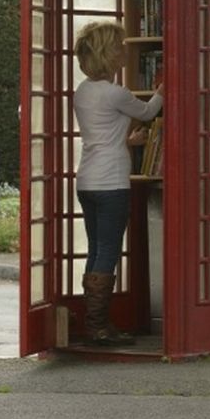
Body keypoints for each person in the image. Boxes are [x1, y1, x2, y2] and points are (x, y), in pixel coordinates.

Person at [73, 21, 164, 346]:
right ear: (107, 54)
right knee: (108, 250)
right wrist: (164, 86)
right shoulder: (116, 93)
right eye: (119, 46)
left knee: (97, 248)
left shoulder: (83, 91)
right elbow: (150, 109)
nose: (124, 50)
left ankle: (95, 323)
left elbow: (104, 136)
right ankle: (97, 326)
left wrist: (129, 140)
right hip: (112, 182)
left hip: (86, 180)